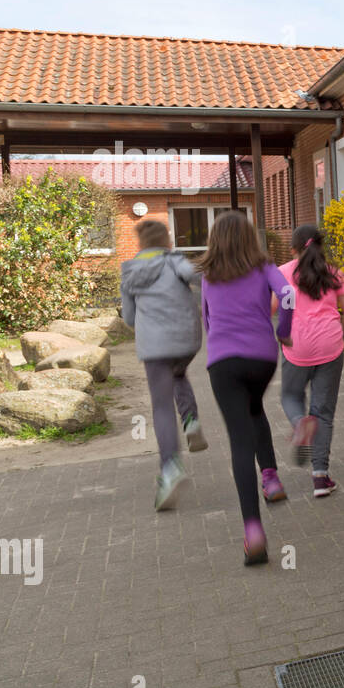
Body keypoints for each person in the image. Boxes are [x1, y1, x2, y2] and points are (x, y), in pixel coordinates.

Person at [198, 211, 294, 566]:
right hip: (262, 359)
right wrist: (283, 331)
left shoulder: (209, 275)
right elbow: (287, 294)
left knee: (240, 437)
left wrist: (220, 343)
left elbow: (207, 319)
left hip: (224, 362)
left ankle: (253, 531)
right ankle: (270, 478)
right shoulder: (263, 265)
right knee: (255, 410)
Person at [120, 219, 207, 511]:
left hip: (155, 345)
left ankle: (170, 468)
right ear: (167, 241)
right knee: (179, 373)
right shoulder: (175, 262)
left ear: (141, 244)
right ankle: (191, 420)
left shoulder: (130, 271)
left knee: (160, 405)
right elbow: (201, 279)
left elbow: (130, 319)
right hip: (186, 340)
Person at [275, 225, 344, 497]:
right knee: (324, 411)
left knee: (290, 396)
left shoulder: (283, 273)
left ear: (293, 248)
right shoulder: (333, 273)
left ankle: (300, 424)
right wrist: (341, 333)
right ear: (321, 246)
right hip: (330, 345)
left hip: (297, 346)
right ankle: (320, 477)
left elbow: (270, 308)